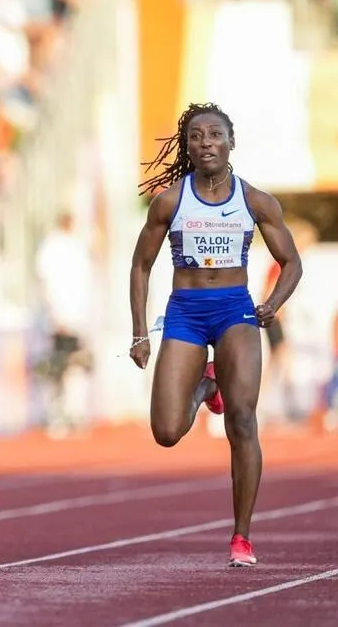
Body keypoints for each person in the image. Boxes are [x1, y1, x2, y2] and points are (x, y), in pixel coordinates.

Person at [128, 103, 302, 567]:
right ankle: (208, 385)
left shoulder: (256, 201)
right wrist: (138, 332)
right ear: (187, 146)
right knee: (166, 432)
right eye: (196, 137)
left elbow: (292, 262)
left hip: (235, 312)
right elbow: (141, 265)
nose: (206, 143)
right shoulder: (170, 200)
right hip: (185, 312)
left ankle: (241, 536)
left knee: (242, 420)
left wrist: (271, 304)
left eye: (215, 135)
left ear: (230, 142)